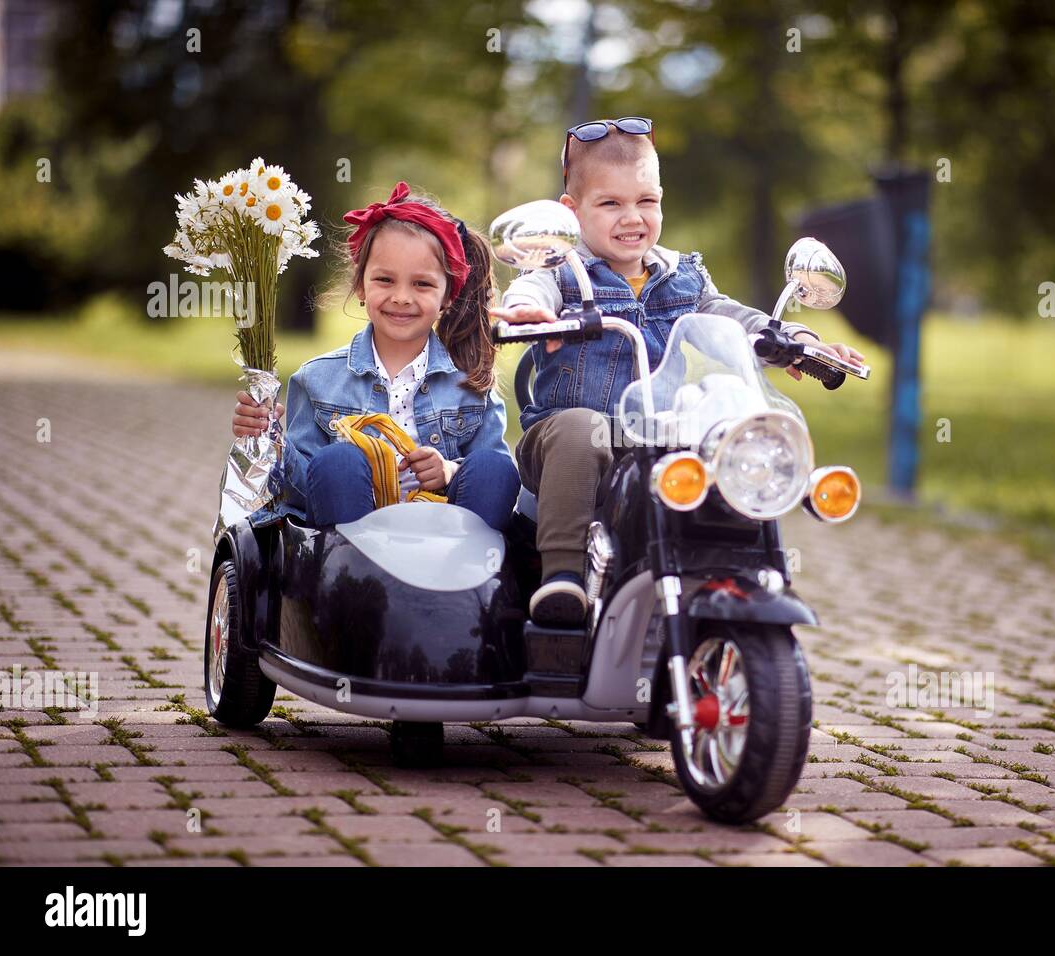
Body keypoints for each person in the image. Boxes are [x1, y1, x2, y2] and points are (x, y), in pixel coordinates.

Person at [488, 118, 864, 624]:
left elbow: (729, 314)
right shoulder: (561, 270)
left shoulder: (681, 275)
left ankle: (749, 574)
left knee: (726, 407)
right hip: (569, 450)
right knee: (583, 428)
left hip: (660, 449)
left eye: (646, 201)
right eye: (610, 204)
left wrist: (793, 340)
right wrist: (529, 313)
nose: (632, 218)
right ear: (571, 214)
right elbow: (530, 290)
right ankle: (563, 579)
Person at [233, 181, 520, 531]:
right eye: (385, 279)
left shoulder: (472, 384)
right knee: (337, 460)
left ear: (447, 295)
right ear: (360, 286)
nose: (401, 297)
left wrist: (448, 471)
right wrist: (268, 439)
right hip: (350, 548)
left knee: (495, 467)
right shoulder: (317, 379)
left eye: (422, 284)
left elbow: (495, 482)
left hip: (445, 546)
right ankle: (356, 580)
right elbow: (300, 488)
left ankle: (475, 578)